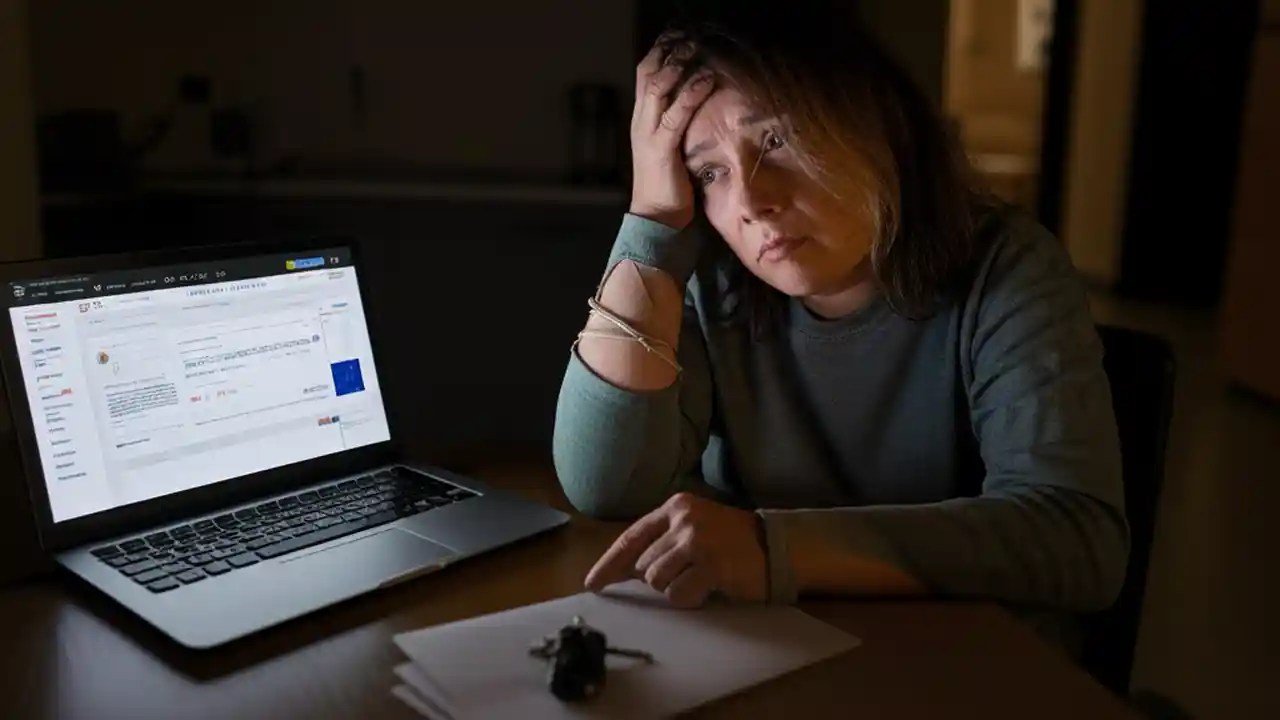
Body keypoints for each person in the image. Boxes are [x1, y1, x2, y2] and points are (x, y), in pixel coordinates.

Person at [551, 0, 1128, 625]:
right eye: (709, 172)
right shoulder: (706, 281)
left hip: (953, 660)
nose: (750, 200)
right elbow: (605, 487)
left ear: (876, 117)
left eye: (775, 138)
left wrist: (771, 548)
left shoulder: (1007, 268)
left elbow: (1079, 541)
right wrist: (652, 226)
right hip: (763, 648)